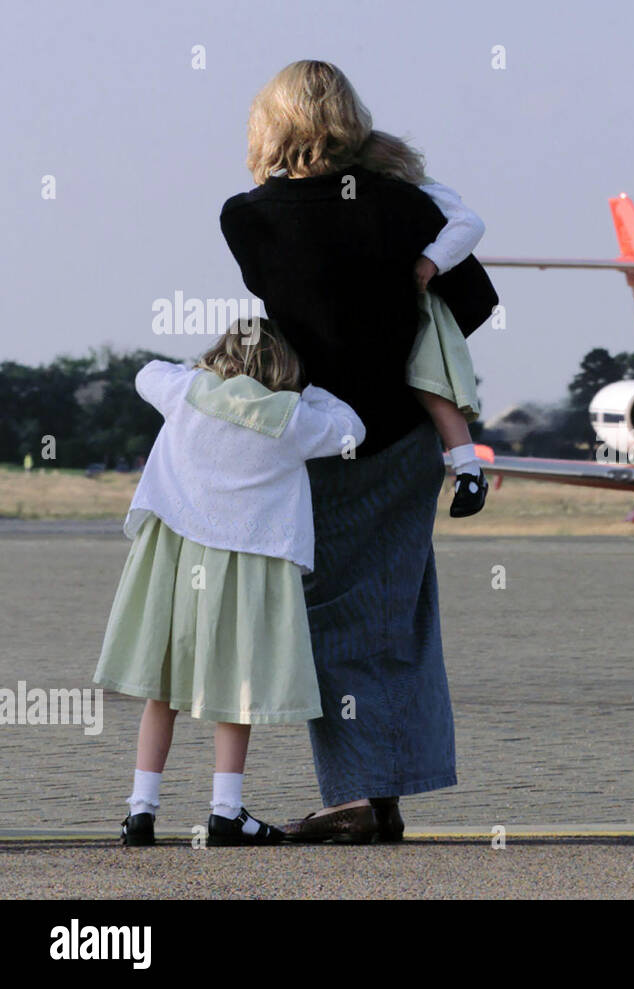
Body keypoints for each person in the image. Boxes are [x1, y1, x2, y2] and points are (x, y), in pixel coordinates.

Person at [221, 59, 498, 844]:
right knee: (396, 611)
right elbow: (475, 298)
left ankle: (352, 798)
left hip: (319, 436)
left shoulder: (249, 217)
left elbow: (296, 306)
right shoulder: (405, 205)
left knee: (324, 610)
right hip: (409, 434)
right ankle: (383, 792)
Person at [92, 319, 364, 846]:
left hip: (175, 558)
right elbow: (352, 428)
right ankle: (226, 811)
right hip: (247, 564)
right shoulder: (292, 420)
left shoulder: (187, 392)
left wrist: (203, 369)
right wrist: (313, 392)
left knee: (162, 690)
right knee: (235, 692)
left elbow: (148, 373)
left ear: (222, 354)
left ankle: (140, 813)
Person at [357, 129, 490, 517]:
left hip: (421, 304)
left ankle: (467, 468)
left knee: (431, 380)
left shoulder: (424, 190)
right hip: (382, 304)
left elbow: (469, 223)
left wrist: (431, 259)